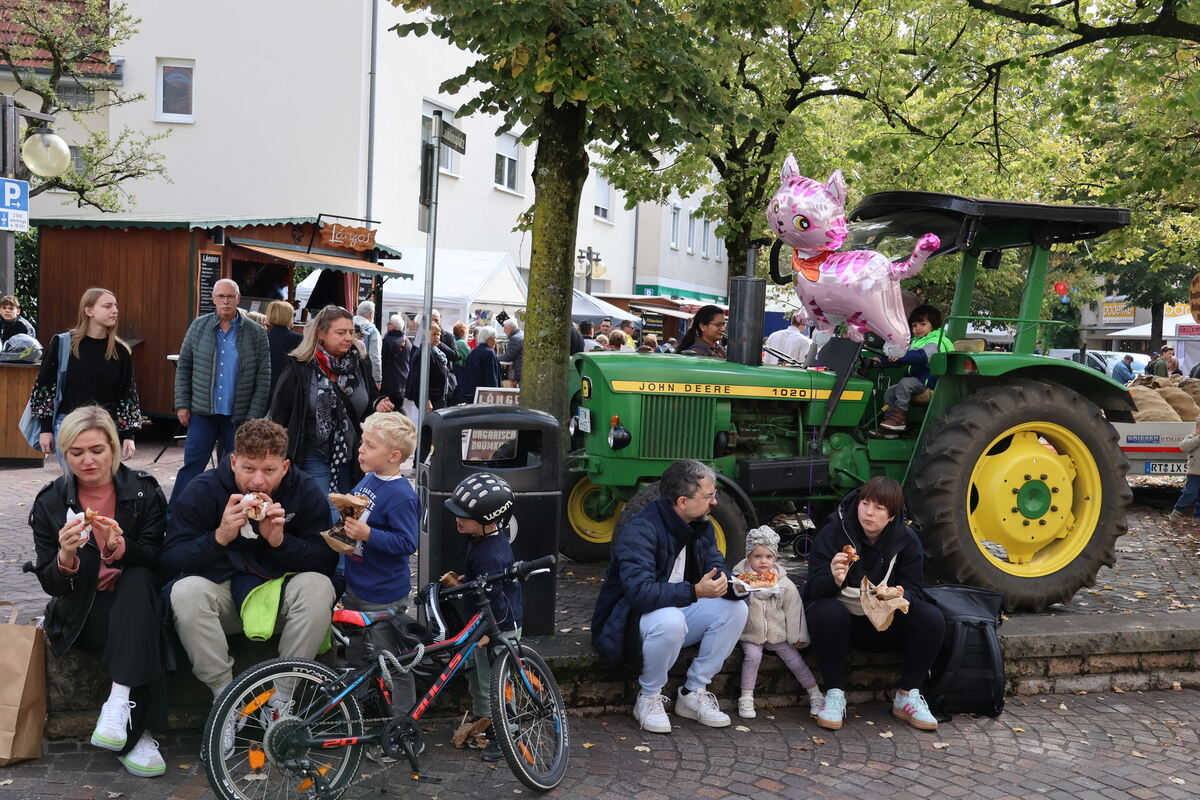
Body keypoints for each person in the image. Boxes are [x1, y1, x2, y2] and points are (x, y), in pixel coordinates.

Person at [29, 406, 168, 777]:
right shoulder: (50, 502)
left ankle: (118, 703)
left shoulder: (144, 491)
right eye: (76, 452)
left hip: (136, 597)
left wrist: (120, 548)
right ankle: (136, 737)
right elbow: (51, 584)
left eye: (96, 450)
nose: (87, 460)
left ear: (114, 449)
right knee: (143, 628)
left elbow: (159, 558)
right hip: (84, 608)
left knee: (138, 582)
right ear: (64, 454)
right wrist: (65, 555)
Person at [161, 418, 340, 700]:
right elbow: (169, 561)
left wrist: (281, 543)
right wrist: (218, 537)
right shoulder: (203, 489)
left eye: (269, 470)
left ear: (284, 467)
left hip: (281, 600)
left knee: (319, 586)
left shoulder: (304, 490)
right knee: (185, 592)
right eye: (248, 468)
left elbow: (327, 562)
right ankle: (225, 697)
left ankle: (282, 698)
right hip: (223, 599)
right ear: (233, 463)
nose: (257, 481)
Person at [591, 460, 748, 734]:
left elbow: (716, 567)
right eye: (708, 496)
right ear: (683, 502)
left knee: (736, 610)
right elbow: (640, 593)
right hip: (630, 622)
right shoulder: (641, 529)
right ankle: (649, 696)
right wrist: (695, 591)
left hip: (676, 609)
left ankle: (693, 692)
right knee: (671, 620)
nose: (714, 502)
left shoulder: (702, 525)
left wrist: (735, 586)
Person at [803, 476, 946, 732]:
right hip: (843, 624)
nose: (869, 512)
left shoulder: (906, 539)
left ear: (891, 516)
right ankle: (834, 694)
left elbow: (915, 589)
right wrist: (833, 579)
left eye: (879, 508)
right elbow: (811, 591)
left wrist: (901, 595)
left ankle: (907, 695)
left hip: (885, 623)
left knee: (931, 617)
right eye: (865, 504)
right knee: (826, 612)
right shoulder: (833, 532)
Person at [340, 412, 420, 715]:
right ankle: (359, 710)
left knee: (394, 660)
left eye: (370, 446)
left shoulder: (401, 495)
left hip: (384, 594)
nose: (360, 449)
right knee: (357, 653)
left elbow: (407, 543)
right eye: (363, 442)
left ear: (394, 456)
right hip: (357, 587)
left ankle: (403, 722)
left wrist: (369, 534)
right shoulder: (369, 478)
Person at [270, 305, 394, 495]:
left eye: (351, 332)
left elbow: (370, 396)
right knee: (327, 509)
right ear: (321, 333)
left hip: (353, 457)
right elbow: (280, 415)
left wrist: (378, 403)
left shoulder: (359, 363)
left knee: (348, 508)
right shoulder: (300, 368)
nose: (348, 338)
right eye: (340, 332)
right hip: (313, 455)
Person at [442, 473, 522, 762]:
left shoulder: (491, 553)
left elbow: (496, 597)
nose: (458, 520)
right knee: (479, 678)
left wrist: (489, 632)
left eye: (465, 516)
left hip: (498, 627)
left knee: (496, 683)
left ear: (489, 520)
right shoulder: (481, 540)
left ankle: (507, 735)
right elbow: (485, 582)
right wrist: (467, 580)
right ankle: (484, 723)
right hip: (483, 625)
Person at [172, 279, 271, 504]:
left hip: (239, 416)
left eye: (230, 296)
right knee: (192, 465)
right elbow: (184, 366)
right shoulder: (199, 327)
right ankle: (176, 513)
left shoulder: (256, 333)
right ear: (213, 299)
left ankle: (231, 512)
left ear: (238, 298)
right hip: (203, 412)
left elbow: (263, 378)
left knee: (235, 469)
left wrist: (253, 417)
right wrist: (182, 404)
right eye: (221, 296)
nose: (226, 301)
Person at [31, 288, 141, 466]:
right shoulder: (63, 344)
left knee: (100, 479)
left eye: (115, 306)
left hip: (105, 428)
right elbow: (44, 388)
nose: (115, 310)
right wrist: (45, 429)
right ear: (89, 311)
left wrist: (129, 435)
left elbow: (127, 395)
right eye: (107, 306)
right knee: (74, 479)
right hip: (68, 424)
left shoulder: (120, 351)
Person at [732, 526, 823, 720]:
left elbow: (794, 610)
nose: (763, 561)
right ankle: (746, 697)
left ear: (775, 557)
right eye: (757, 556)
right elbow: (733, 602)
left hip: (777, 633)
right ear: (748, 557)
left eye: (768, 556)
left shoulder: (783, 583)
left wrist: (797, 636)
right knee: (753, 657)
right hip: (751, 633)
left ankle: (815, 694)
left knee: (796, 660)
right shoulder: (740, 579)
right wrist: (741, 591)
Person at [877, 305, 951, 433]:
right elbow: (900, 359)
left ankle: (898, 419)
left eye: (923, 324)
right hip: (918, 379)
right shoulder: (916, 341)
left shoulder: (936, 341)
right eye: (914, 325)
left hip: (931, 379)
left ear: (934, 325)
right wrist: (880, 360)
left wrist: (901, 355)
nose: (918, 328)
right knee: (890, 391)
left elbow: (922, 357)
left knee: (905, 383)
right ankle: (889, 424)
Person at [405, 322, 453, 412]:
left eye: (439, 334)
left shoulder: (435, 350)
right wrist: (426, 400)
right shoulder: (425, 352)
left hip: (438, 398)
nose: (437, 337)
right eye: (434, 334)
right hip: (431, 400)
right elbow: (419, 378)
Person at [265, 300, 302, 395]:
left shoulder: (262, 337)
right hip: (288, 388)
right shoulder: (299, 339)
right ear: (289, 316)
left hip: (264, 387)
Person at [1168, 419, 1200, 528]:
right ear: (1197, 427)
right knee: (1190, 493)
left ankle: (1197, 517)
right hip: (1194, 472)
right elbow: (1183, 446)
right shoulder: (1192, 437)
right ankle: (1176, 512)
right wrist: (1198, 438)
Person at [462, 324, 501, 402]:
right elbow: (492, 377)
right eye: (495, 338)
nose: (496, 341)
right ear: (489, 339)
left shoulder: (473, 352)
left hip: (472, 394)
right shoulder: (490, 353)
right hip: (486, 396)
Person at [381, 314, 412, 410]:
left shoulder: (387, 340)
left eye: (388, 323)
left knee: (387, 412)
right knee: (398, 410)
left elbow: (382, 360)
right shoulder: (407, 341)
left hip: (388, 384)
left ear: (392, 326)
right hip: (403, 384)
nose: (387, 325)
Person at [353, 301, 383, 389]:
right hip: (364, 375)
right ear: (371, 314)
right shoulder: (372, 331)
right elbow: (375, 357)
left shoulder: (347, 325)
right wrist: (377, 380)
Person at [502, 318, 524, 383]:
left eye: (505, 328)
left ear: (510, 328)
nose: (504, 331)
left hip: (519, 372)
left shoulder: (515, 338)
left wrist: (493, 356)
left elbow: (507, 357)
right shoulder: (521, 334)